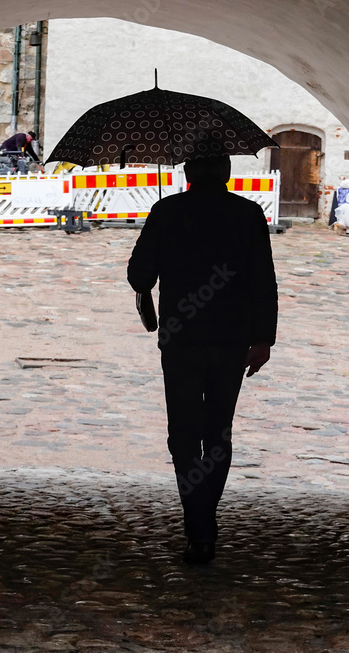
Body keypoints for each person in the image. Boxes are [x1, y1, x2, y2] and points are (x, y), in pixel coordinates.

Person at [127, 155, 278, 565]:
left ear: (188, 174)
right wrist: (264, 337)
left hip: (182, 340)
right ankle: (204, 519)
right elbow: (263, 278)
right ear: (227, 174)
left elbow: (140, 276)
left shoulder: (168, 211)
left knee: (183, 435)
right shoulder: (248, 215)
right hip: (231, 341)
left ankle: (200, 524)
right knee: (218, 432)